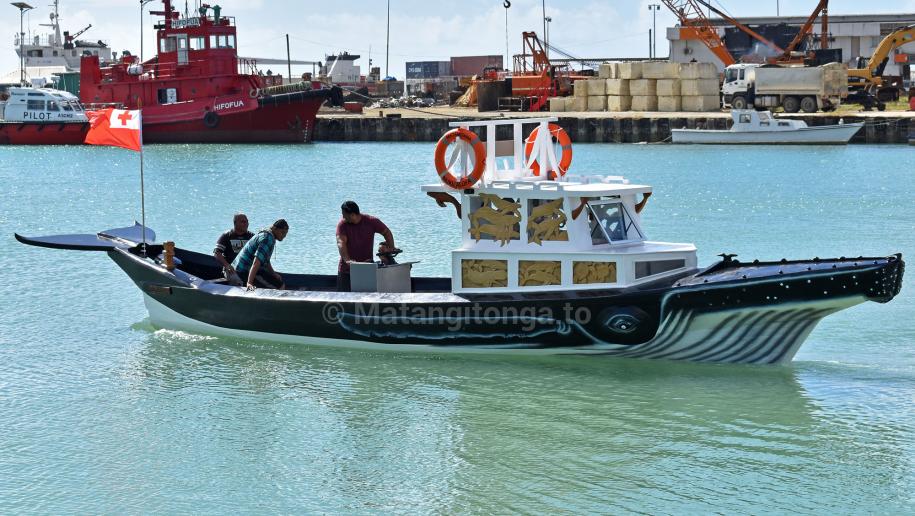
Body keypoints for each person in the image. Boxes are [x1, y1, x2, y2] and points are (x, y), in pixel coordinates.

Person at [336, 201, 395, 292]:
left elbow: (386, 232)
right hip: (347, 271)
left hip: (367, 269)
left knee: (368, 299)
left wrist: (391, 247)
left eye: (344, 215)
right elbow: (341, 243)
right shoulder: (342, 225)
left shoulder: (371, 221)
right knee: (343, 300)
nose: (343, 217)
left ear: (352, 215)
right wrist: (347, 260)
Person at [233, 219, 288, 290]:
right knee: (280, 286)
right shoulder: (267, 239)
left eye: (285, 234)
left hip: (242, 269)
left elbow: (266, 260)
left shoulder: (267, 234)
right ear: (275, 229)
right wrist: (249, 283)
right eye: (282, 232)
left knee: (277, 281)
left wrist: (273, 273)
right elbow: (256, 262)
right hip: (241, 272)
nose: (284, 236)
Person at [214, 213, 254, 286]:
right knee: (237, 282)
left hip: (247, 269)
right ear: (235, 223)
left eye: (247, 221)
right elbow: (217, 253)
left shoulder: (251, 236)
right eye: (243, 222)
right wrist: (227, 265)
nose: (246, 224)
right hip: (231, 270)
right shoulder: (227, 235)